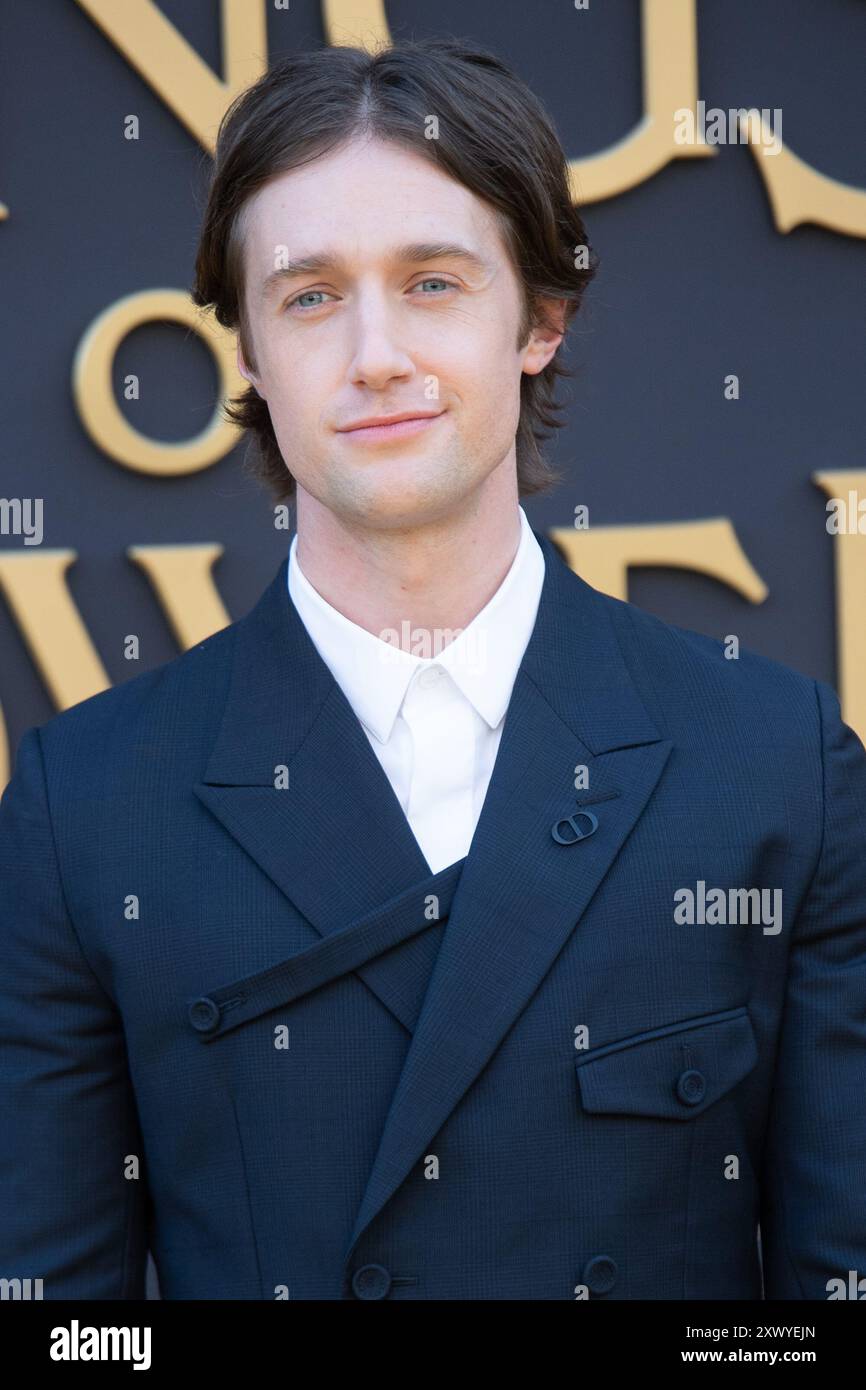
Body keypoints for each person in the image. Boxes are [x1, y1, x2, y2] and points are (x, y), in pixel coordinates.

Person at [1, 37, 864, 1302]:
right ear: (244, 350)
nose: (374, 355)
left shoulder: (775, 766)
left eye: (432, 283)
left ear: (539, 317)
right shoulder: (86, 808)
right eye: (307, 296)